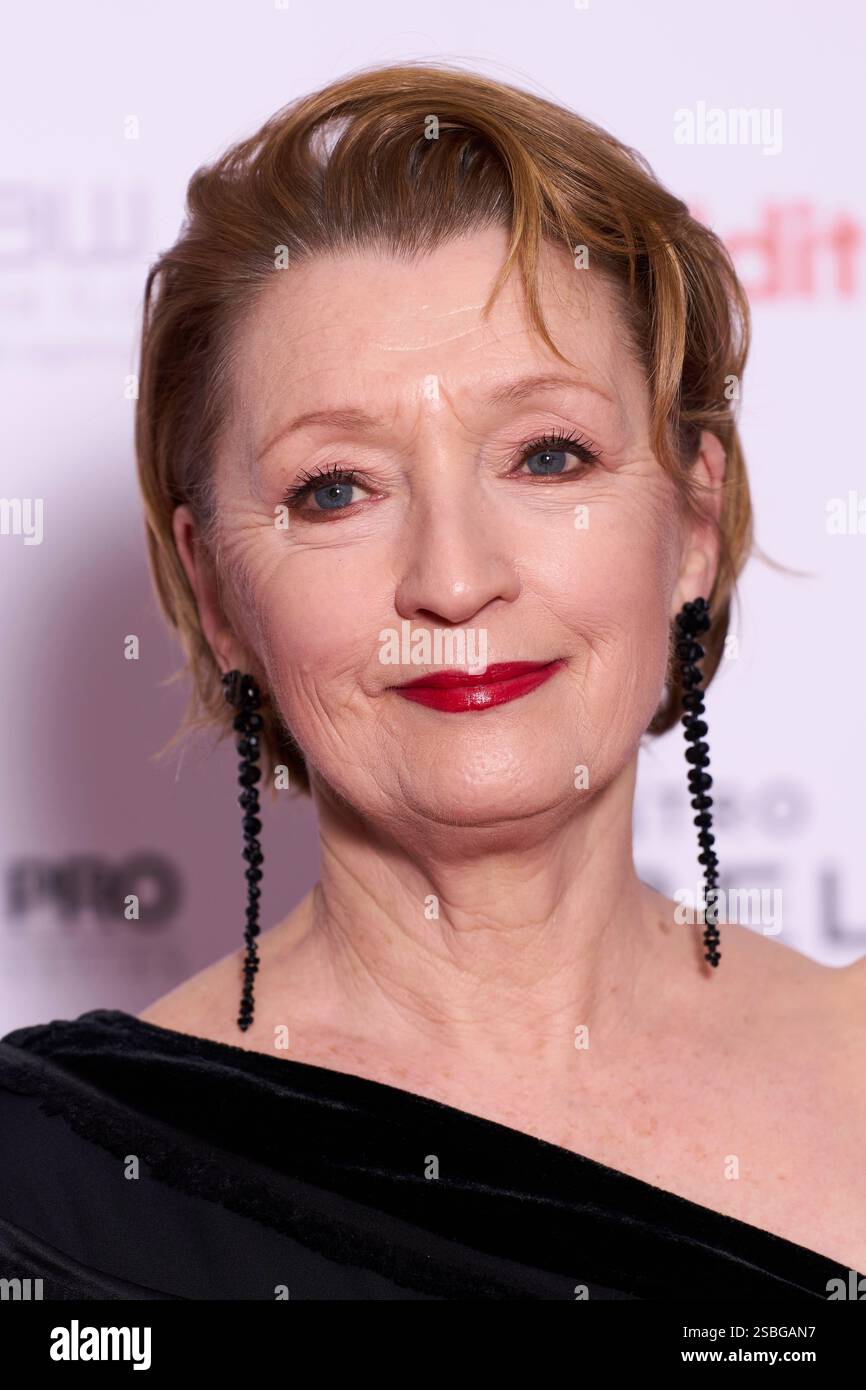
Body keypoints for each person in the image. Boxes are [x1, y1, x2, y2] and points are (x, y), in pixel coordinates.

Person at [2, 61, 864, 1301]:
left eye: (547, 455)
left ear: (688, 520)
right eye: (335, 488)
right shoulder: (47, 1182)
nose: (453, 582)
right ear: (214, 594)